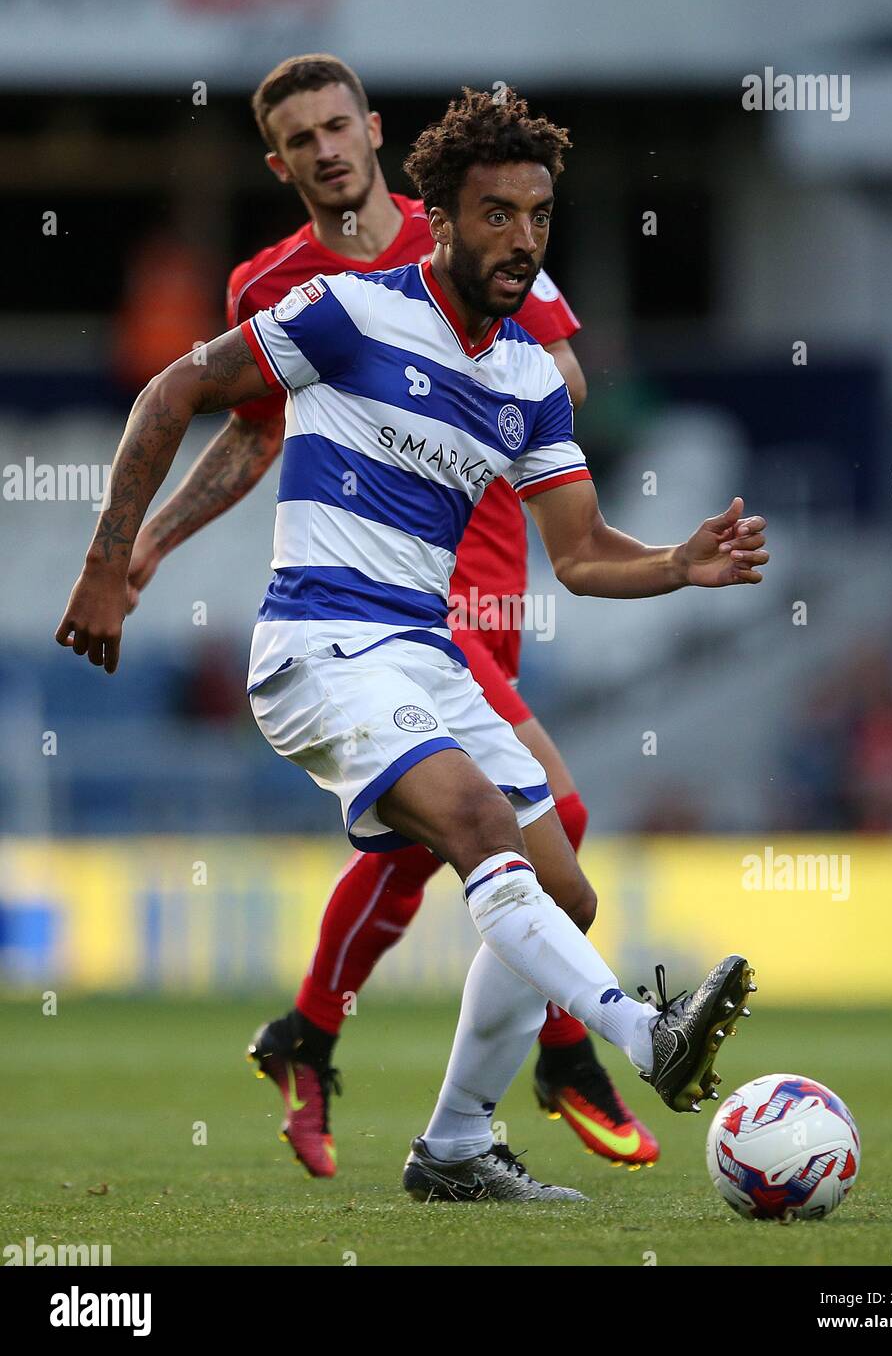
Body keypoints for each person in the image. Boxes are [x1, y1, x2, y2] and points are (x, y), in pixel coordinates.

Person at [57, 87, 766, 1202]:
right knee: (484, 825)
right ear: (438, 216)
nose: (522, 238)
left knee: (563, 892)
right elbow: (176, 387)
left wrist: (678, 561)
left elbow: (578, 555)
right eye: (496, 214)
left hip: (423, 652)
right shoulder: (346, 312)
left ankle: (452, 1149)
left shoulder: (530, 376)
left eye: (537, 215)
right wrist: (112, 561)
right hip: (318, 646)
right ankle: (642, 1029)